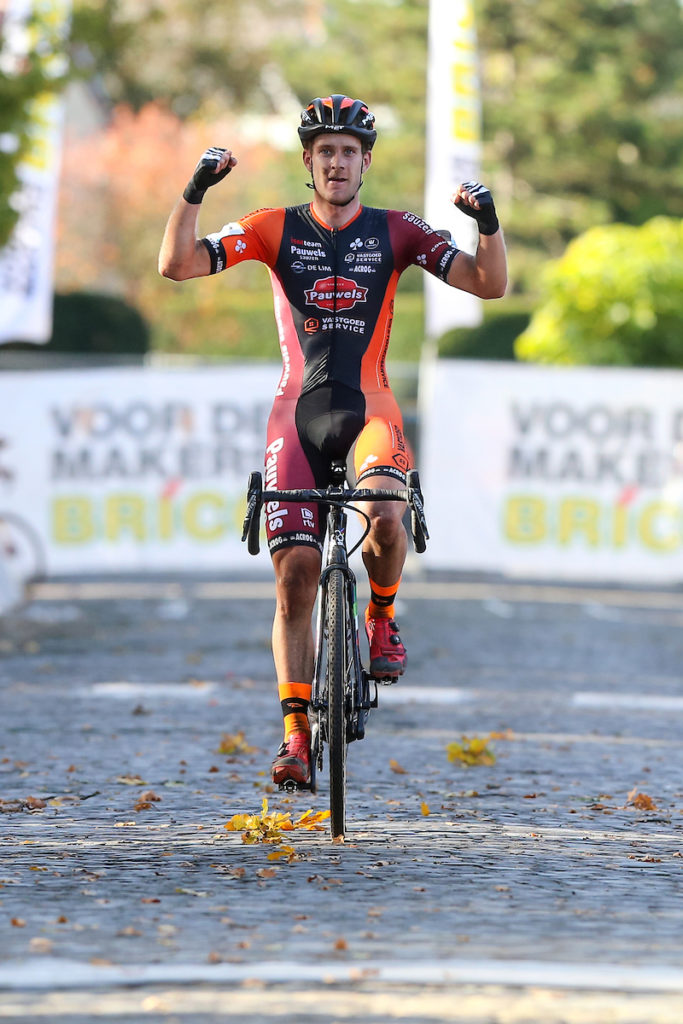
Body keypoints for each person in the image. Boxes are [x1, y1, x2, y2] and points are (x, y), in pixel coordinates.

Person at [159, 94, 507, 788]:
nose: (338, 162)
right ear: (308, 162)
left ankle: (381, 617)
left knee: (383, 511)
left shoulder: (398, 230)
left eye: (349, 151)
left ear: (366, 161)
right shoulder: (271, 227)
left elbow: (488, 284)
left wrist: (488, 225)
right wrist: (194, 190)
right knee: (294, 578)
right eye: (326, 152)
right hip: (296, 413)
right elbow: (177, 264)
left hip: (370, 405)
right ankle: (293, 737)